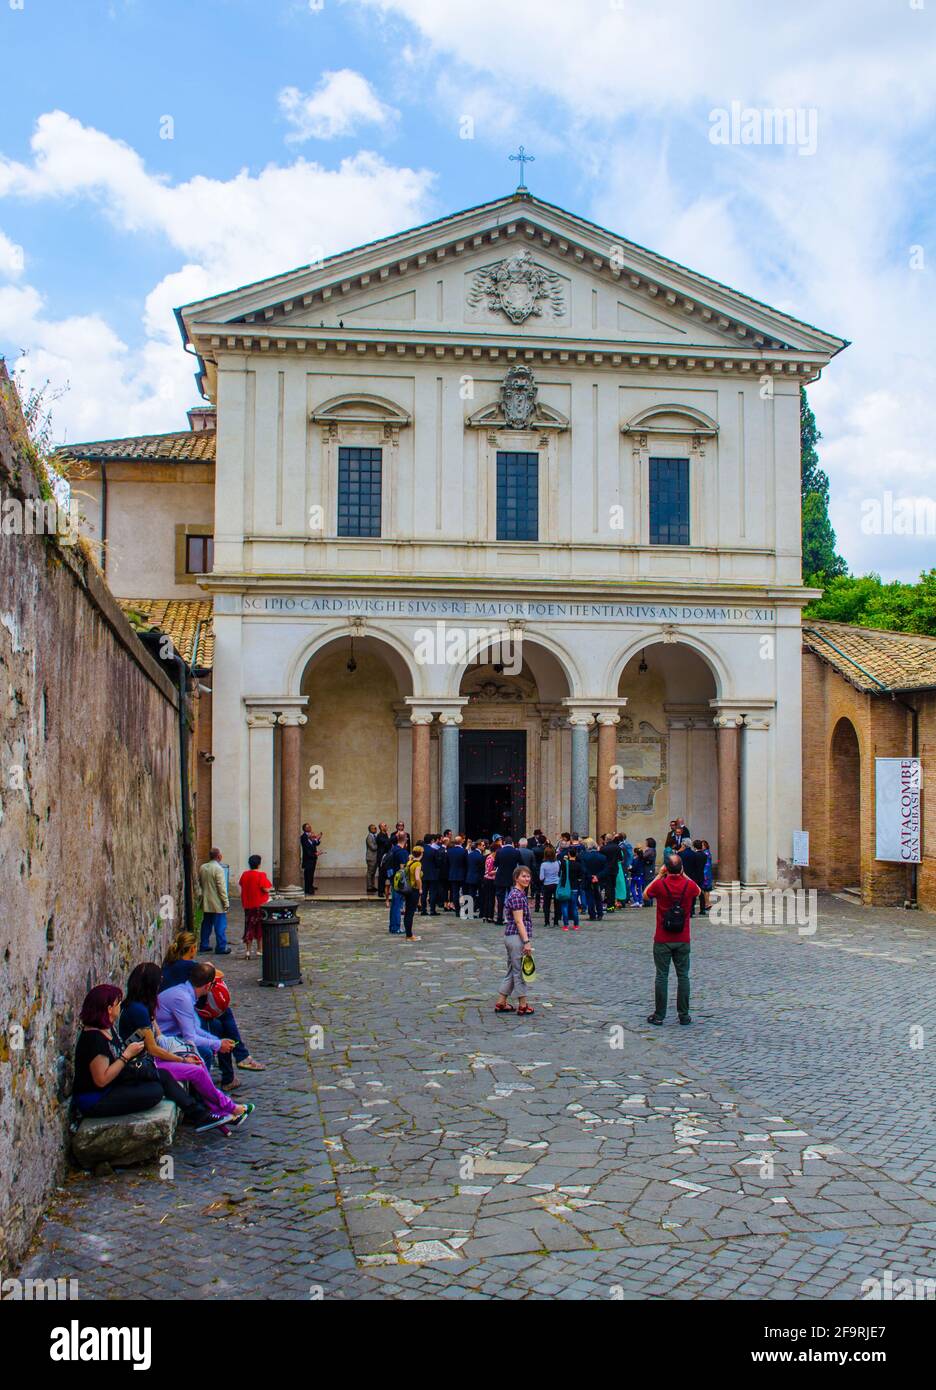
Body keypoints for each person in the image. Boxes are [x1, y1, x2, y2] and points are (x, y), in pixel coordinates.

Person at [118, 964, 252, 1128]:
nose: (160, 987)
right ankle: (228, 1108)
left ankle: (223, 1110)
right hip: (147, 1062)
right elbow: (153, 1048)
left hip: (151, 1058)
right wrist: (181, 1059)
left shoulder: (143, 1007)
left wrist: (214, 1044)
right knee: (196, 1068)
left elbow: (161, 1036)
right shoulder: (140, 1010)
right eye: (158, 983)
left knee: (198, 1061)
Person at [73, 984, 219, 1131]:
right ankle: (199, 1113)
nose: (120, 1007)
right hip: (97, 1099)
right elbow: (101, 1080)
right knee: (155, 1091)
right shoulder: (94, 1039)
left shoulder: (107, 1029)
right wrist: (126, 1056)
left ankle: (199, 1114)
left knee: (161, 1075)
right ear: (109, 1009)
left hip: (115, 1082)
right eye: (117, 1004)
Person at [161, 932, 264, 1087]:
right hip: (178, 1019)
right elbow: (213, 976)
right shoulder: (189, 967)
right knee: (221, 1019)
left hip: (180, 1013)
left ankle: (235, 1067)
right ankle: (235, 1065)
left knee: (221, 1019)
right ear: (193, 948)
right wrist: (209, 966)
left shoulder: (168, 965)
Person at [643, 853, 700, 1026]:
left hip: (662, 938)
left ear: (666, 868)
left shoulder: (661, 884)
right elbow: (698, 889)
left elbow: (645, 895)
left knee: (662, 976)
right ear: (681, 868)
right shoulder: (688, 885)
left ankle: (659, 1015)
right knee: (683, 976)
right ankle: (683, 1015)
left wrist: (660, 875)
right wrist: (684, 874)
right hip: (683, 938)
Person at [494, 866, 535, 1015]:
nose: (527, 879)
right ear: (516, 878)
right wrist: (526, 941)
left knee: (512, 970)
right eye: (523, 876)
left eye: (528, 876)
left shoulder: (518, 894)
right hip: (516, 937)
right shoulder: (517, 896)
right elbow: (519, 921)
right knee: (520, 971)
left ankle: (501, 1002)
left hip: (511, 937)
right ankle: (523, 1005)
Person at [239, 854, 271, 959]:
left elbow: (241, 884)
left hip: (248, 905)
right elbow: (266, 888)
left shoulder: (244, 874)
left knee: (249, 927)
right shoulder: (261, 875)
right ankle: (259, 949)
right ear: (259, 864)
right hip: (259, 905)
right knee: (259, 928)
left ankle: (247, 951)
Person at [198, 848, 230, 954]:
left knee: (206, 923)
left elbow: (200, 883)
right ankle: (221, 946)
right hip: (217, 902)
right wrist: (226, 902)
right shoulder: (218, 868)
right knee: (220, 925)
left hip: (206, 900)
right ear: (218, 856)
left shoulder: (202, 867)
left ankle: (204, 944)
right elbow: (221, 887)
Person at [385, 831, 410, 934]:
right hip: (400, 881)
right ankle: (396, 927)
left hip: (393, 879)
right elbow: (403, 868)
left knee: (395, 904)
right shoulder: (402, 852)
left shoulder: (393, 849)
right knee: (397, 905)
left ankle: (393, 926)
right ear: (405, 839)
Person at [493, 837, 521, 924]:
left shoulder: (499, 851)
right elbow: (521, 863)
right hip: (512, 877)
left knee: (500, 898)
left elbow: (495, 864)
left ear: (504, 842)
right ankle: (510, 917)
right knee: (512, 898)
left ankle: (499, 918)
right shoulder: (516, 852)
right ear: (512, 842)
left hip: (501, 877)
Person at [581, 838, 607, 921]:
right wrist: (597, 876)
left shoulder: (584, 856)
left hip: (588, 879)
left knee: (590, 897)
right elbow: (606, 869)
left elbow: (583, 869)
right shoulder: (603, 857)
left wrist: (590, 876)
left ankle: (592, 914)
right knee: (598, 896)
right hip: (599, 879)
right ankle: (600, 913)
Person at [556, 847, 582, 930]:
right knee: (574, 907)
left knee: (564, 906)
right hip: (574, 887)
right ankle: (576, 925)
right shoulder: (578, 865)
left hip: (565, 887)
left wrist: (564, 859)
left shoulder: (565, 863)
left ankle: (566, 925)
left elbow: (560, 872)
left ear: (569, 854)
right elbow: (580, 877)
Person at [401, 844, 423, 941]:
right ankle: (409, 935)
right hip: (413, 889)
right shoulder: (417, 864)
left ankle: (408, 934)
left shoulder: (409, 862)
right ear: (421, 854)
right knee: (410, 913)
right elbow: (417, 877)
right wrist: (420, 888)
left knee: (408, 912)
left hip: (407, 889)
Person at [680, 838, 706, 916]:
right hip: (701, 875)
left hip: (694, 876)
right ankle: (702, 909)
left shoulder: (695, 855)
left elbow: (692, 866)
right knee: (701, 892)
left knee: (693, 893)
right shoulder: (704, 855)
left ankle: (692, 911)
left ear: (694, 846)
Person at [420, 835, 442, 916]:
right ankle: (432, 910)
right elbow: (438, 863)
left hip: (423, 874)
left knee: (423, 893)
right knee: (433, 893)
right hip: (432, 874)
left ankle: (423, 910)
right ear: (432, 841)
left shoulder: (421, 850)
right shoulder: (434, 851)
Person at [539, 844, 560, 926]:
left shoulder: (543, 865)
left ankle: (546, 921)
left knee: (546, 904)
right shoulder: (558, 863)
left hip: (547, 884)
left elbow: (541, 877)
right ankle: (556, 921)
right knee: (557, 904)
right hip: (556, 884)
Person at [446, 835, 468, 914]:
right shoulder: (464, 851)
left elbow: (447, 863)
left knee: (455, 893)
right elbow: (466, 863)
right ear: (460, 842)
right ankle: (465, 910)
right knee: (464, 892)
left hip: (452, 874)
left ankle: (457, 911)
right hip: (462, 874)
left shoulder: (449, 851)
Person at [300, 824, 320, 897]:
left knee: (311, 874)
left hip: (313, 858)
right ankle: (307, 889)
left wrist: (317, 839)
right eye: (308, 827)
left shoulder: (311, 835)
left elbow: (316, 844)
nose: (310, 828)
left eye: (310, 826)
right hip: (308, 858)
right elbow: (306, 848)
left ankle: (310, 886)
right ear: (304, 829)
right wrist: (315, 854)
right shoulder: (303, 837)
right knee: (307, 874)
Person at [481, 842, 497, 922]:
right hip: (490, 879)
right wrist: (497, 871)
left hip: (487, 879)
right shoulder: (491, 858)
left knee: (487, 898)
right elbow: (489, 871)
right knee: (490, 898)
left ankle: (485, 915)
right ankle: (489, 916)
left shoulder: (488, 857)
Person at [375, 823, 392, 896]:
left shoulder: (385, 835)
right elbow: (386, 843)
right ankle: (380, 892)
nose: (386, 826)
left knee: (386, 875)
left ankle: (385, 890)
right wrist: (393, 838)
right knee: (382, 875)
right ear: (381, 828)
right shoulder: (379, 836)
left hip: (386, 857)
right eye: (385, 825)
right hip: (382, 858)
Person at [700, 839, 714, 913]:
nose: (701, 847)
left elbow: (706, 866)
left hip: (706, 873)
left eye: (702, 845)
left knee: (705, 890)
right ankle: (708, 903)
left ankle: (706, 903)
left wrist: (704, 875)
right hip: (708, 873)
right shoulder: (707, 852)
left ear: (705, 846)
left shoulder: (705, 854)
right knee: (707, 890)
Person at [365, 824, 379, 893]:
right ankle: (369, 887)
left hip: (375, 857)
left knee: (373, 873)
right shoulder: (369, 837)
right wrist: (380, 845)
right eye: (373, 828)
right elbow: (373, 847)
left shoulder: (374, 836)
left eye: (375, 828)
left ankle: (372, 886)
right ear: (370, 829)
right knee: (370, 873)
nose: (375, 829)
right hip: (371, 857)